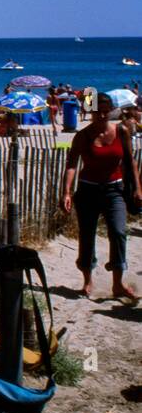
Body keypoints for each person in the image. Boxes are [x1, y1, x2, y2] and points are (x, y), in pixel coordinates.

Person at [62, 95, 140, 300]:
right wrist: (67, 192)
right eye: (97, 111)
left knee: (118, 232)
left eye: (106, 111)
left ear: (111, 110)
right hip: (88, 191)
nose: (102, 115)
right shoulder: (83, 136)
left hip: (115, 190)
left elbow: (130, 162)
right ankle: (87, 281)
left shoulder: (121, 131)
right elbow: (71, 164)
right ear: (90, 112)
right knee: (87, 235)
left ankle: (117, 284)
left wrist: (138, 188)